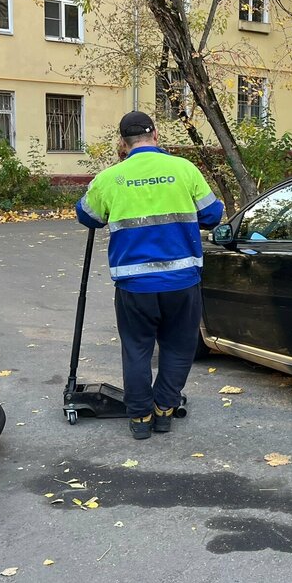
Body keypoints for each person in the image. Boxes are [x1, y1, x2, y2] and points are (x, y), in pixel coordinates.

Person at [75, 110, 224, 439]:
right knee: (179, 347)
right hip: (181, 281)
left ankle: (140, 417)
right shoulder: (184, 169)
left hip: (134, 285)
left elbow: (86, 215)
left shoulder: (110, 178)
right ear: (155, 135)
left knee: (137, 348)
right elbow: (213, 215)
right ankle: (164, 409)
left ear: (123, 142)